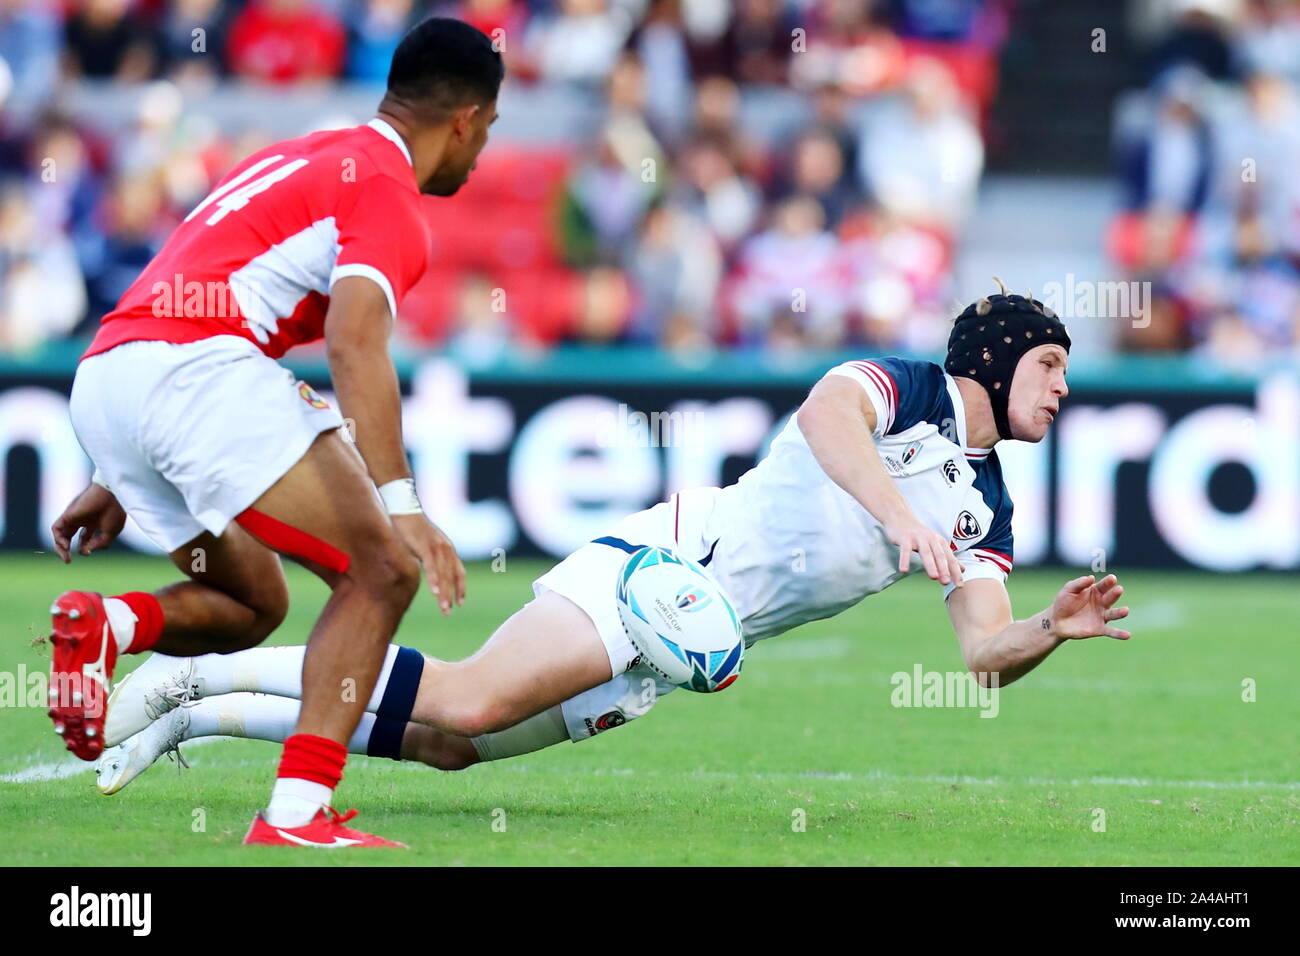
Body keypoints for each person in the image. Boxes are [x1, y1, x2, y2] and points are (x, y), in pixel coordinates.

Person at [97, 288, 1131, 795]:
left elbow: (981, 656)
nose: (1062, 387)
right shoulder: (908, 387)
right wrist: (898, 516)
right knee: (468, 693)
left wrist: (1049, 622)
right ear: (994, 359)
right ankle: (187, 675)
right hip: (667, 566)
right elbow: (824, 413)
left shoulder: (985, 506)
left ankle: (200, 718)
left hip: (696, 635)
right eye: (1048, 363)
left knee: (453, 744)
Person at [47, 17, 502, 849]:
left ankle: (107, 624)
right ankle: (297, 813)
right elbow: (353, 341)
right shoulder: (390, 195)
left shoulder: (301, 154)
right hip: (193, 377)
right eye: (488, 132)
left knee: (253, 604)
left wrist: (117, 466)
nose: (479, 158)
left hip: (111, 371)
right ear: (466, 118)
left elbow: (185, 272)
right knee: (382, 571)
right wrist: (403, 505)